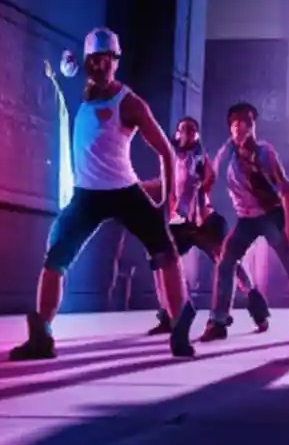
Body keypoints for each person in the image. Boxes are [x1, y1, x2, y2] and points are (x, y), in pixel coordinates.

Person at [10, 28, 195, 360]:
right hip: (87, 196)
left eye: (107, 60)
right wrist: (64, 58)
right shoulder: (82, 91)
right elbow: (62, 67)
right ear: (88, 63)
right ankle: (42, 337)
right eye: (94, 61)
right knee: (55, 256)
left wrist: (168, 202)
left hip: (124, 191)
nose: (100, 66)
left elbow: (167, 152)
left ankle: (180, 328)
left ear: (116, 61)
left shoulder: (130, 103)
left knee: (165, 250)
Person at [142, 117, 264, 336]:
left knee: (231, 263)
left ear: (196, 135)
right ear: (177, 134)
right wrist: (138, 187)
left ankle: (257, 309)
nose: (187, 134)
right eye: (183, 130)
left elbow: (207, 176)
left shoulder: (199, 156)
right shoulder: (171, 159)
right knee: (160, 260)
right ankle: (168, 315)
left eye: (191, 130)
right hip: (180, 223)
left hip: (204, 221)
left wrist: (202, 181)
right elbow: (164, 184)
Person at [204, 102, 289, 341]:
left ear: (253, 126)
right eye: (235, 124)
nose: (239, 128)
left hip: (270, 215)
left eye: (245, 123)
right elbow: (210, 179)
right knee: (226, 263)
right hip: (246, 219)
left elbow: (287, 189)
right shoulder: (227, 156)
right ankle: (219, 322)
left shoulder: (265, 152)